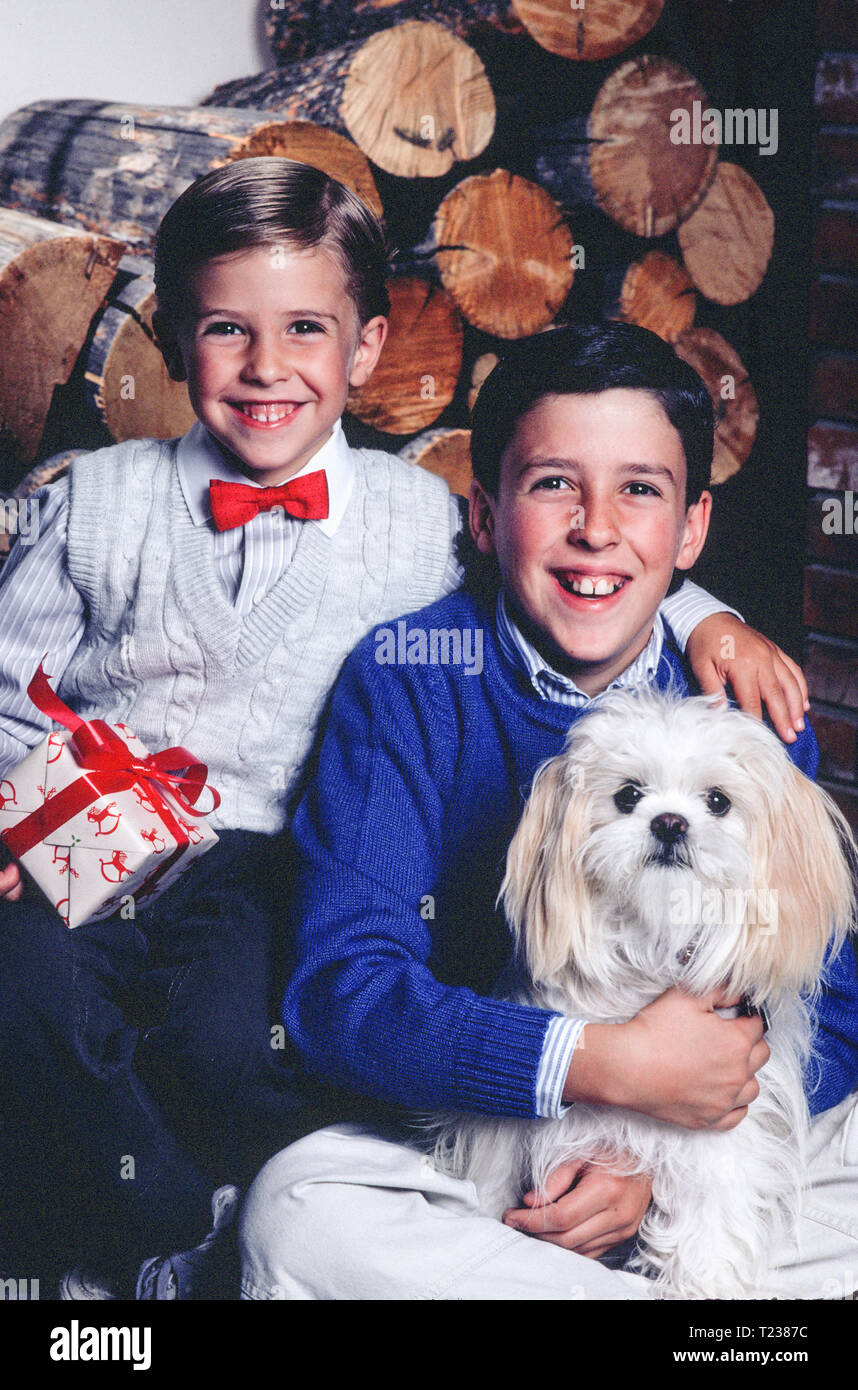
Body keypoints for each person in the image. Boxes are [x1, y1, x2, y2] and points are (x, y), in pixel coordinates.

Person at [0, 160, 809, 1299]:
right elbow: (8, 686)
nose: (269, 367)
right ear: (174, 342)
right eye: (228, 329)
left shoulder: (423, 524)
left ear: (369, 349)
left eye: (305, 332)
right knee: (60, 1010)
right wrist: (38, 822)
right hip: (108, 843)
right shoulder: (112, 505)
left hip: (255, 872)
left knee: (240, 1038)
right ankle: (132, 1241)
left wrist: (706, 611)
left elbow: (581, 552)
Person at [239, 322, 858, 1301]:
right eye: (553, 484)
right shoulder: (406, 681)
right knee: (294, 1212)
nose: (597, 528)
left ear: (691, 530)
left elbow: (838, 1004)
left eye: (639, 490)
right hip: (489, 1157)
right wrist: (603, 1067)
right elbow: (341, 996)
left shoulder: (750, 710)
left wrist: (658, 1157)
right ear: (484, 514)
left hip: (715, 1160)